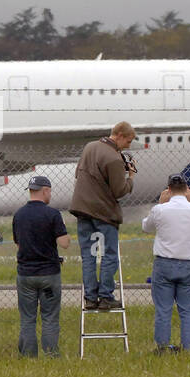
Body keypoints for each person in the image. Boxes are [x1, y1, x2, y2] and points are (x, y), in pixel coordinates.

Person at [142, 174, 190, 353]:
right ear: (186, 189)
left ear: (168, 190)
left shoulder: (159, 210)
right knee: (189, 311)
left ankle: (162, 348)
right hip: (189, 265)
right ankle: (188, 349)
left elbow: (146, 227)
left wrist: (160, 203)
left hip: (164, 265)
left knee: (163, 310)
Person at [70, 122, 136, 310]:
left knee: (89, 255)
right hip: (103, 214)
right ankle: (106, 296)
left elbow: (79, 174)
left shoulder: (89, 147)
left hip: (82, 210)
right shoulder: (114, 158)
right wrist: (130, 177)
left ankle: (90, 298)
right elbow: (119, 190)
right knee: (109, 254)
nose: (129, 145)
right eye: (128, 141)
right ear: (120, 135)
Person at [11, 175, 71, 357]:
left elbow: (19, 244)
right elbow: (64, 243)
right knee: (49, 318)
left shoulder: (19, 215)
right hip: (48, 274)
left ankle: (29, 355)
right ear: (45, 190)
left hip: (26, 274)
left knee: (27, 319)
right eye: (50, 191)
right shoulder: (52, 214)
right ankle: (51, 354)